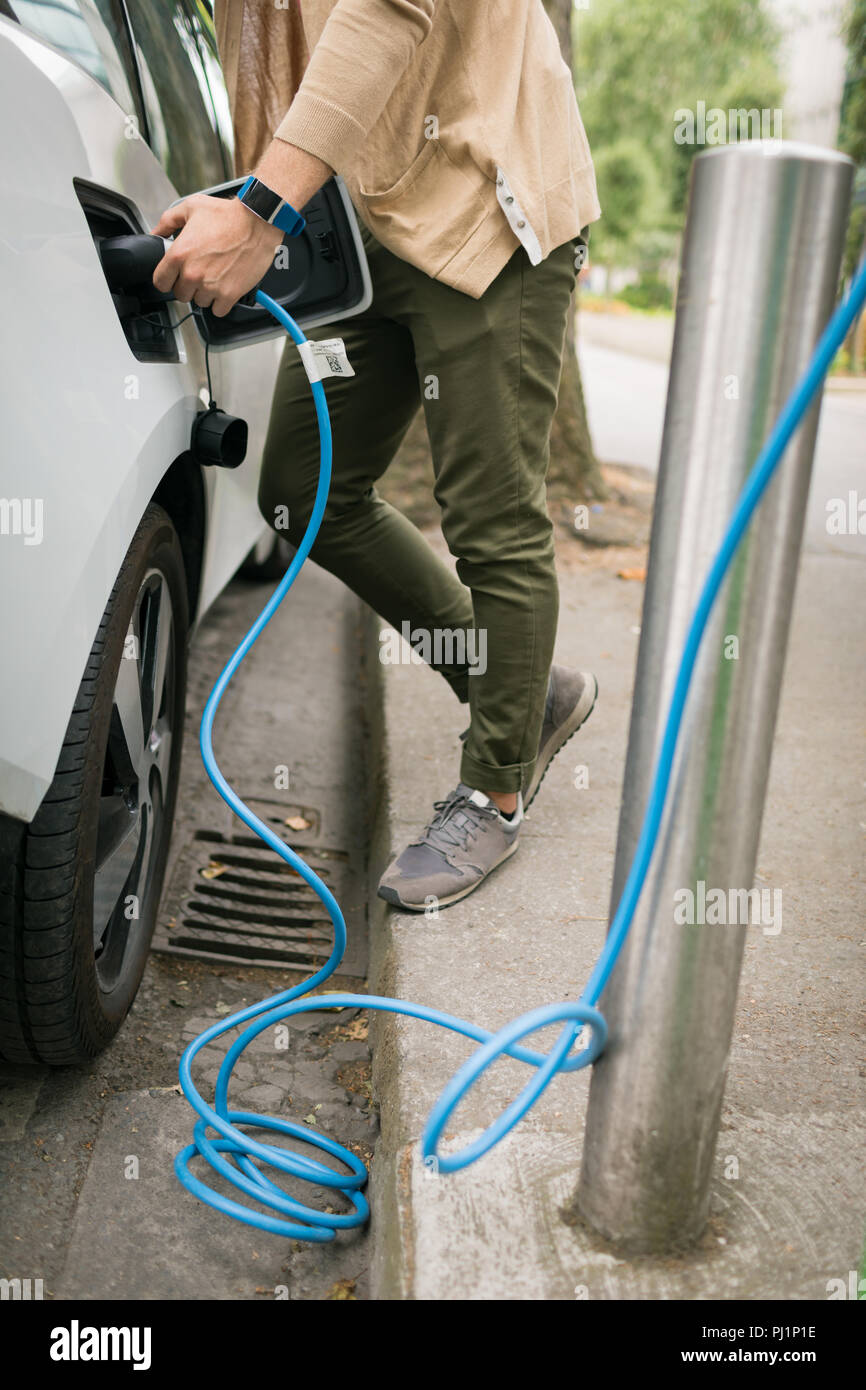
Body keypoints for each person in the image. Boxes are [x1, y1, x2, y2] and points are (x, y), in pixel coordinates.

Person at [153, 0, 602, 911]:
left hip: (483, 204)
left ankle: (497, 788)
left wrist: (263, 211)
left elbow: (384, 13)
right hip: (356, 225)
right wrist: (259, 196)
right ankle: (514, 687)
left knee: (491, 516)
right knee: (302, 490)